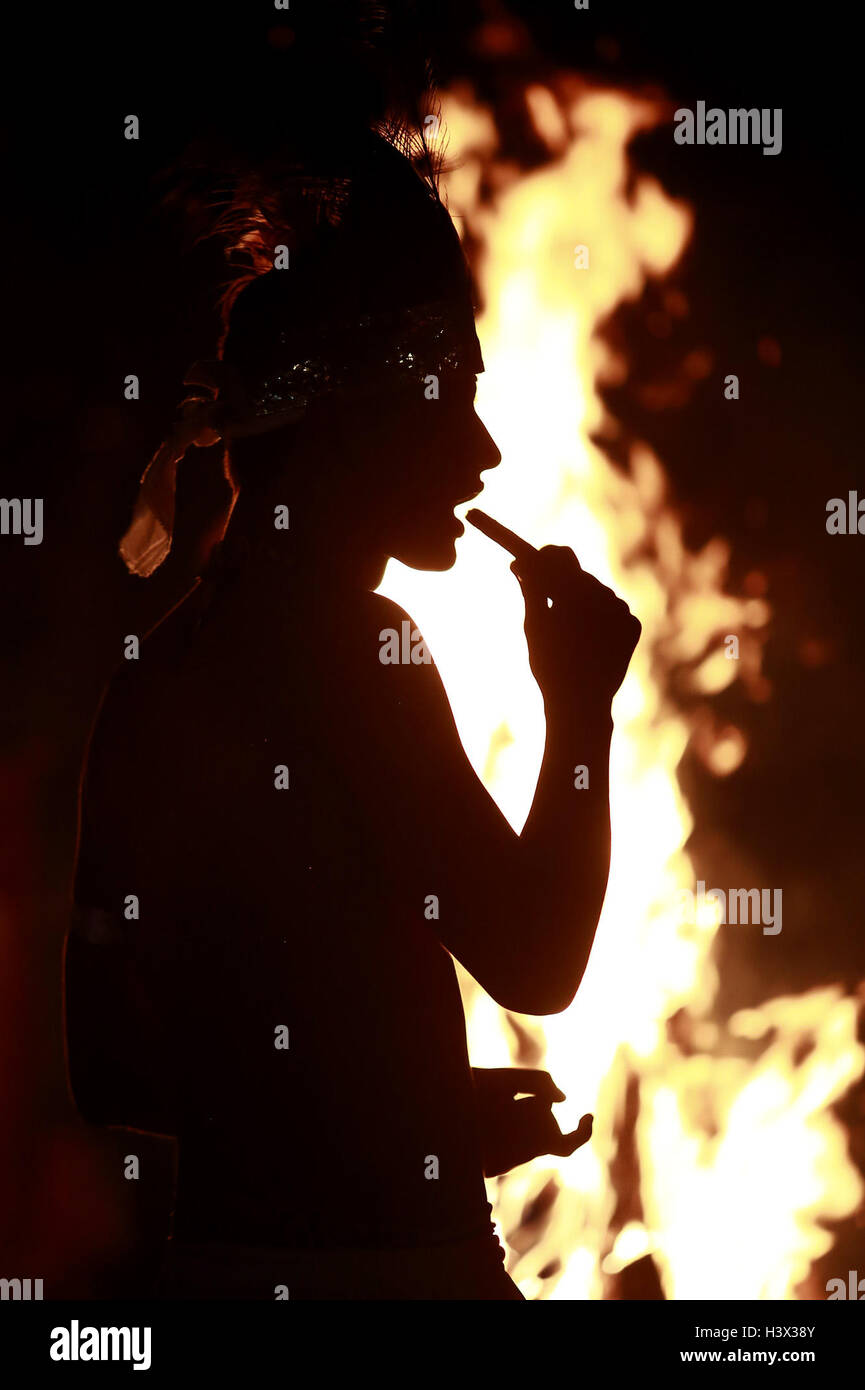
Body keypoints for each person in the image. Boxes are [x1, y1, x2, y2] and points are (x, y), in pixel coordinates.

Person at [63, 127, 640, 1300]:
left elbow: (113, 1064)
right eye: (447, 407)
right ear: (352, 426)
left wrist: (416, 1105)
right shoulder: (363, 651)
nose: (480, 452)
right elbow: (536, 957)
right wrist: (579, 707)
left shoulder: (156, 673)